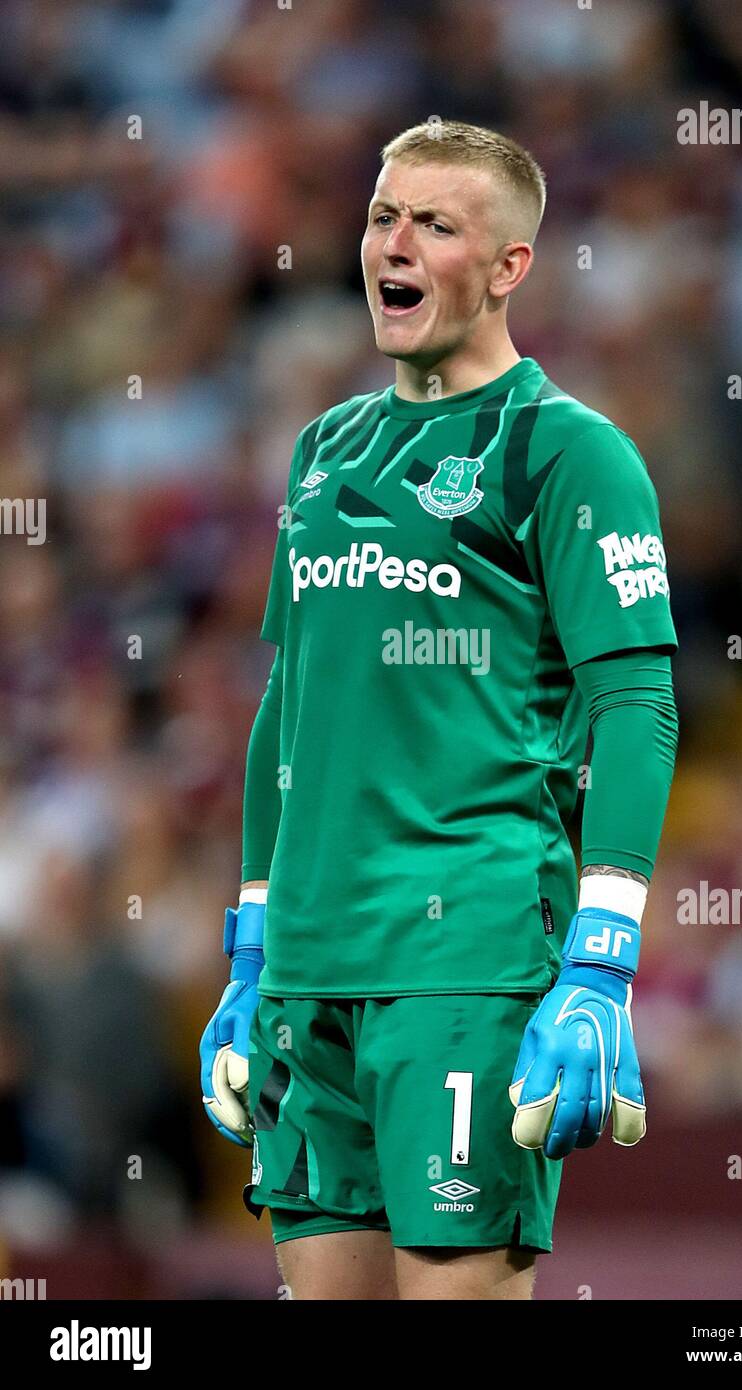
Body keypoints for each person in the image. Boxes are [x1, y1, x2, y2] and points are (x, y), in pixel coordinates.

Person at [200, 120, 678, 1301]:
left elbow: (635, 702)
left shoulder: (565, 453)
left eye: (434, 224)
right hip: (312, 974)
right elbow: (288, 704)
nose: (392, 245)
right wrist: (253, 947)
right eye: (380, 217)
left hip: (463, 959)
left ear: (508, 266)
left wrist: (600, 961)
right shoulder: (325, 447)